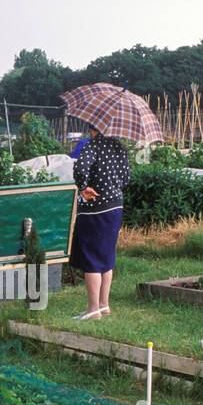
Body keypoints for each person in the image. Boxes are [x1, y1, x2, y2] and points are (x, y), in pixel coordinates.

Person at [69, 125, 129, 319]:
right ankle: (104, 305)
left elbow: (80, 169)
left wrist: (85, 187)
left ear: (92, 128)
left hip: (95, 207)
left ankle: (93, 309)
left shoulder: (92, 146)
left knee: (92, 257)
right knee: (106, 255)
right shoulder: (120, 147)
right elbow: (126, 178)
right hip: (115, 206)